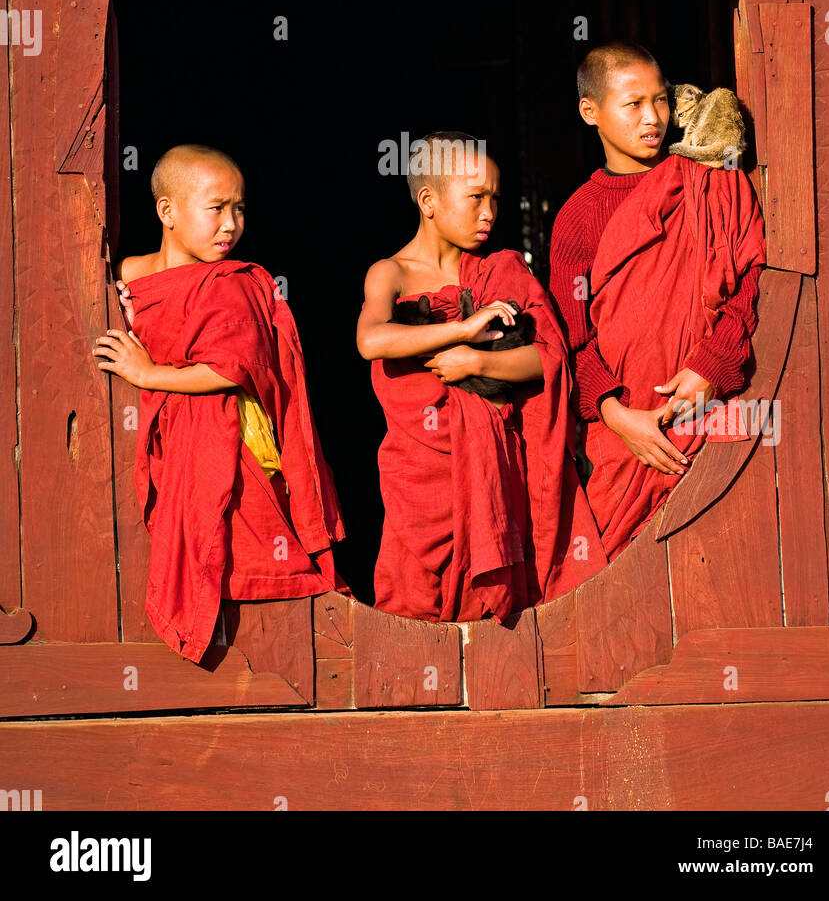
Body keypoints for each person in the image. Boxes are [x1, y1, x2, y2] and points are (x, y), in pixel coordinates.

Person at [93, 143, 347, 662]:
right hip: (162, 448)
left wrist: (148, 373)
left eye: (240, 208)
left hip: (234, 446)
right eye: (216, 208)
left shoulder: (235, 284)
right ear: (167, 211)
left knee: (255, 560)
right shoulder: (126, 277)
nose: (230, 224)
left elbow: (225, 370)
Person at [356, 130, 607, 623]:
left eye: (494, 197)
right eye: (475, 197)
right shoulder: (391, 273)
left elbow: (549, 360)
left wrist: (477, 362)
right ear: (428, 200)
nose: (489, 212)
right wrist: (463, 329)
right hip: (422, 471)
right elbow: (371, 341)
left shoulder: (501, 271)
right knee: (413, 601)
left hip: (498, 466)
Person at [548, 42, 766, 562]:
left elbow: (749, 277)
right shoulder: (579, 217)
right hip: (623, 439)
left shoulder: (707, 181)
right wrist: (616, 413)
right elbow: (568, 339)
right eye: (633, 104)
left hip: (711, 407)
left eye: (662, 101)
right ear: (590, 111)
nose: (653, 118)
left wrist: (712, 364)